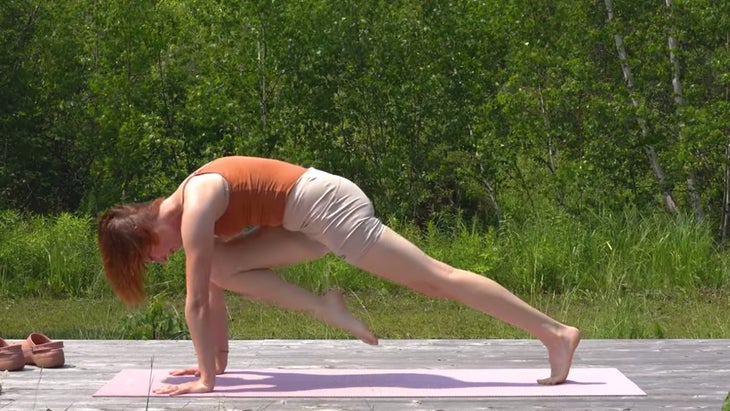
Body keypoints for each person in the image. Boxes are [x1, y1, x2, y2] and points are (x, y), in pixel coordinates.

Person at [97, 156, 580, 396]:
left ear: (145, 231)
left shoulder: (195, 206)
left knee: (433, 278)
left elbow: (197, 301)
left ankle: (555, 333)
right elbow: (213, 290)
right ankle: (325, 307)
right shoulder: (187, 203)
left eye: (149, 257)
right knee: (220, 267)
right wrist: (214, 366)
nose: (158, 263)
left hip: (330, 209)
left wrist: (204, 381)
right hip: (303, 219)